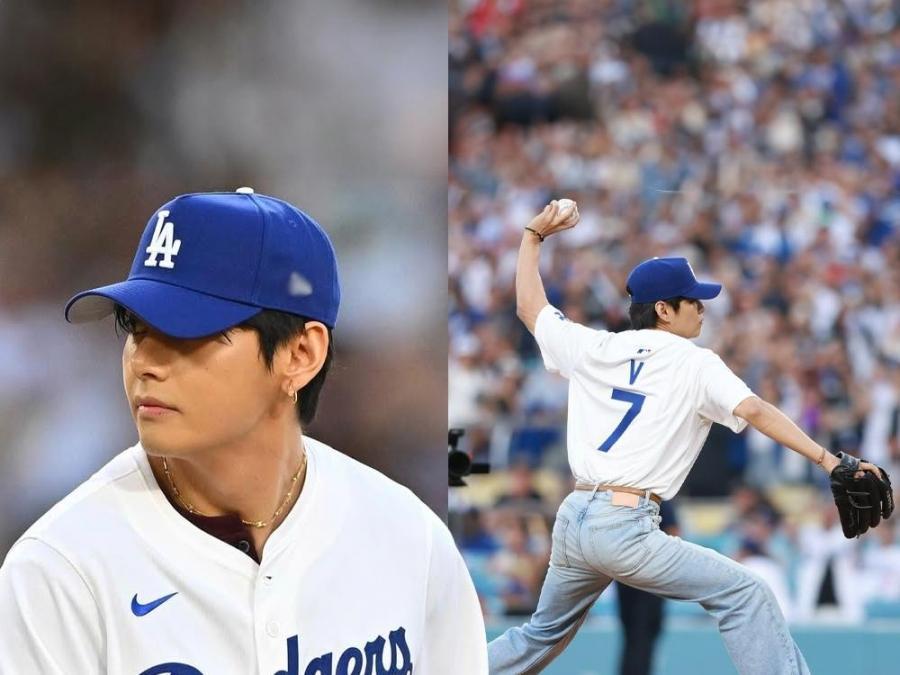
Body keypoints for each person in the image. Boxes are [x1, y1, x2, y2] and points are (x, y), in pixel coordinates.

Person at [0, 189, 487, 674]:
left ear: (300, 356)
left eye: (186, 331)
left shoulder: (409, 539)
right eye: (135, 326)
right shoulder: (60, 570)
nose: (144, 362)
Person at [487, 200, 890, 675]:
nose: (702, 309)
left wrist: (532, 236)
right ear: (663, 309)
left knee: (538, 636)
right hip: (625, 524)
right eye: (692, 301)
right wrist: (829, 461)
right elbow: (754, 409)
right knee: (747, 592)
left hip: (574, 518)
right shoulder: (694, 361)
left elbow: (529, 308)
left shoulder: (595, 346)